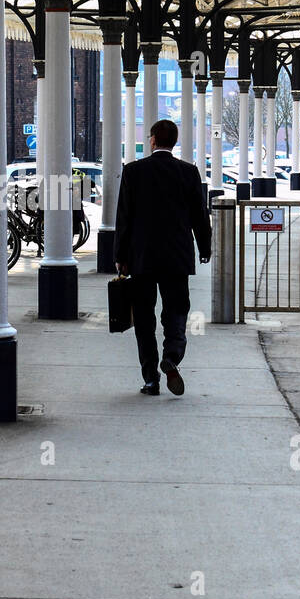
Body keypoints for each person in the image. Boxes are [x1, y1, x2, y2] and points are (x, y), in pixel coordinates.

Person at [114, 118, 211, 396]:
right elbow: (199, 217)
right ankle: (172, 355)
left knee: (144, 319)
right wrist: (204, 248)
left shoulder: (133, 172)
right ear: (175, 141)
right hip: (176, 258)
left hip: (141, 258)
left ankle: (150, 380)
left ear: (153, 140)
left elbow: (124, 217)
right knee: (177, 311)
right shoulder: (188, 172)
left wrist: (120, 255)